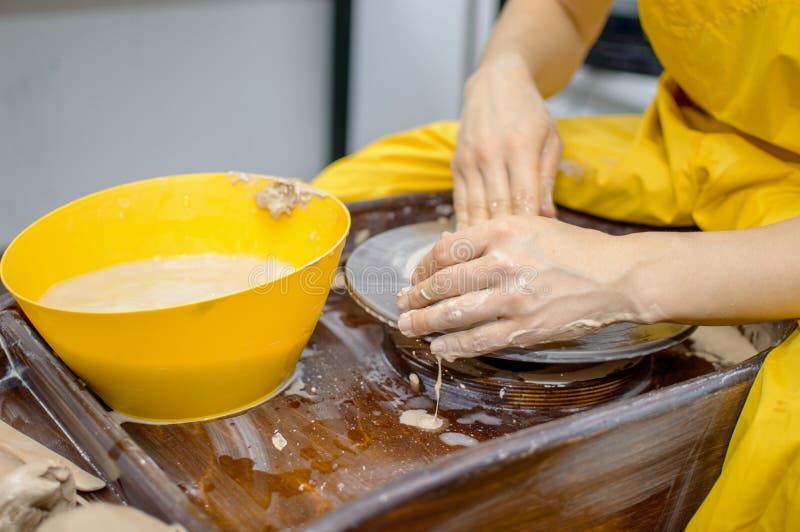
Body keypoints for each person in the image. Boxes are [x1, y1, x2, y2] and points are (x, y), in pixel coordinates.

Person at [313, 0, 800, 529]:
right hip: (694, 146)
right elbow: (565, 11)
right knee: (362, 185)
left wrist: (623, 273)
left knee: (781, 447)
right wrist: (504, 70)